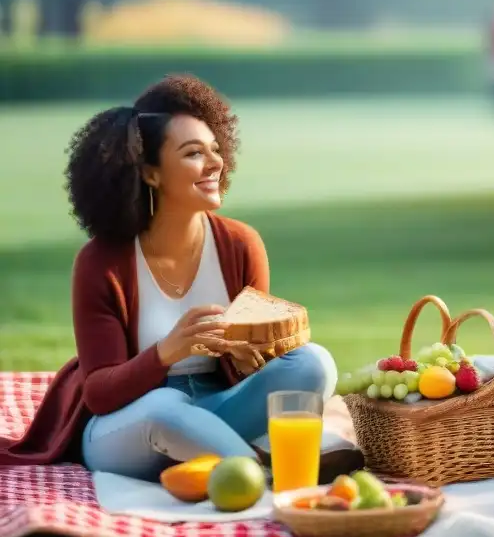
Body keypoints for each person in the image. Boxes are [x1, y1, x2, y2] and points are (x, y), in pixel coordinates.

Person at [0, 75, 339, 481]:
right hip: (128, 425)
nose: (215, 163)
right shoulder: (100, 263)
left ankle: (220, 459)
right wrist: (168, 350)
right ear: (150, 173)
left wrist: (251, 358)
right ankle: (267, 473)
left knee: (314, 363)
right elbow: (100, 392)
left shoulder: (240, 244)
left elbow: (252, 365)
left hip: (217, 408)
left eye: (216, 149)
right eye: (194, 153)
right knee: (164, 408)